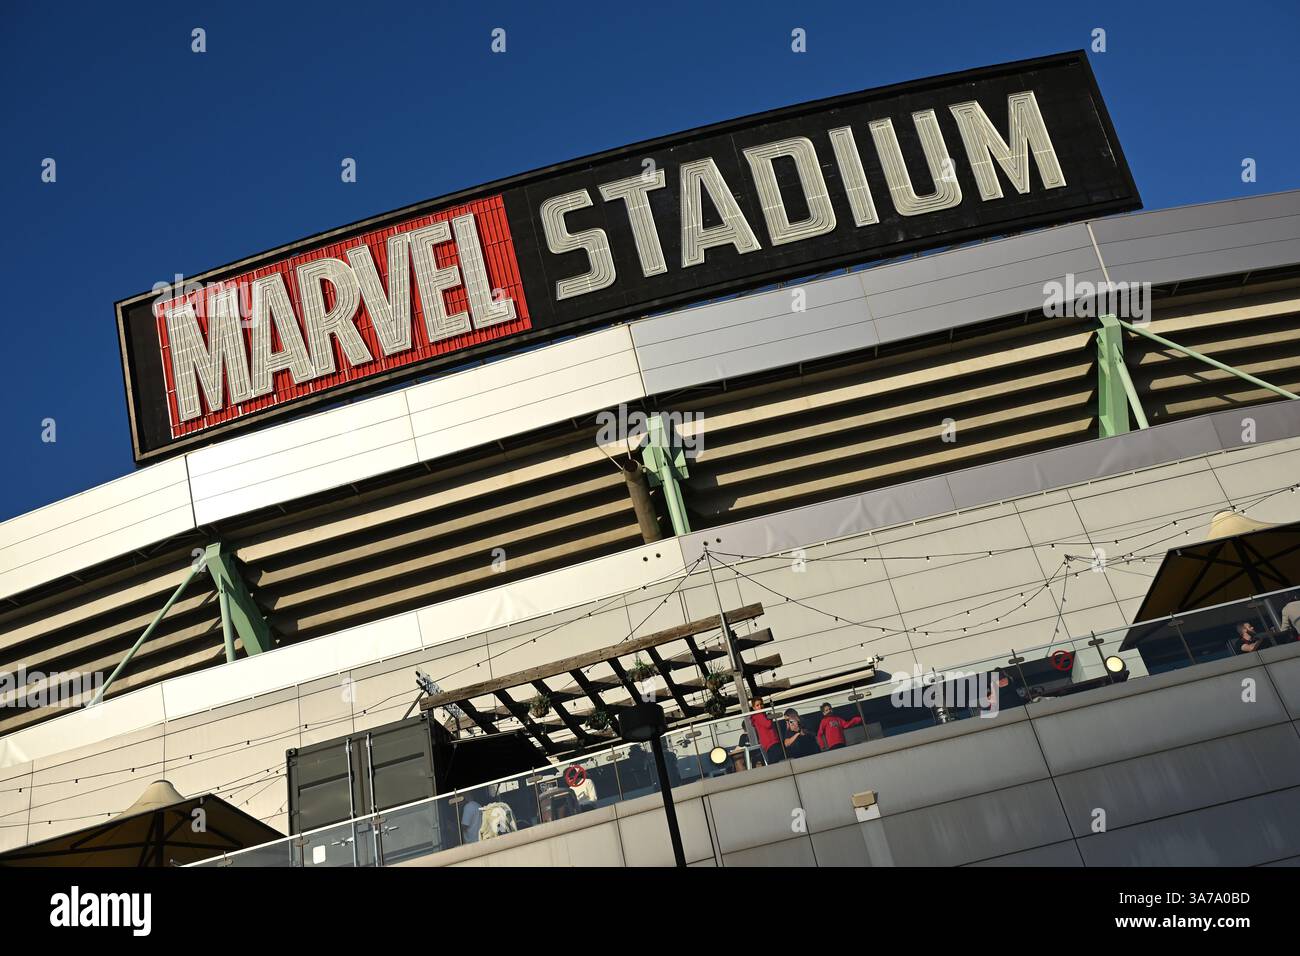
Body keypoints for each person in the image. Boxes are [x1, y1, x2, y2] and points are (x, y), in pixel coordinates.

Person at [745, 697, 783, 765]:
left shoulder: (758, 716)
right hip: (771, 742)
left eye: (761, 704)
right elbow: (768, 724)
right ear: (754, 708)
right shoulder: (758, 715)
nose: (760, 706)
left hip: (768, 743)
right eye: (757, 705)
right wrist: (770, 718)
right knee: (775, 761)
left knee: (774, 761)